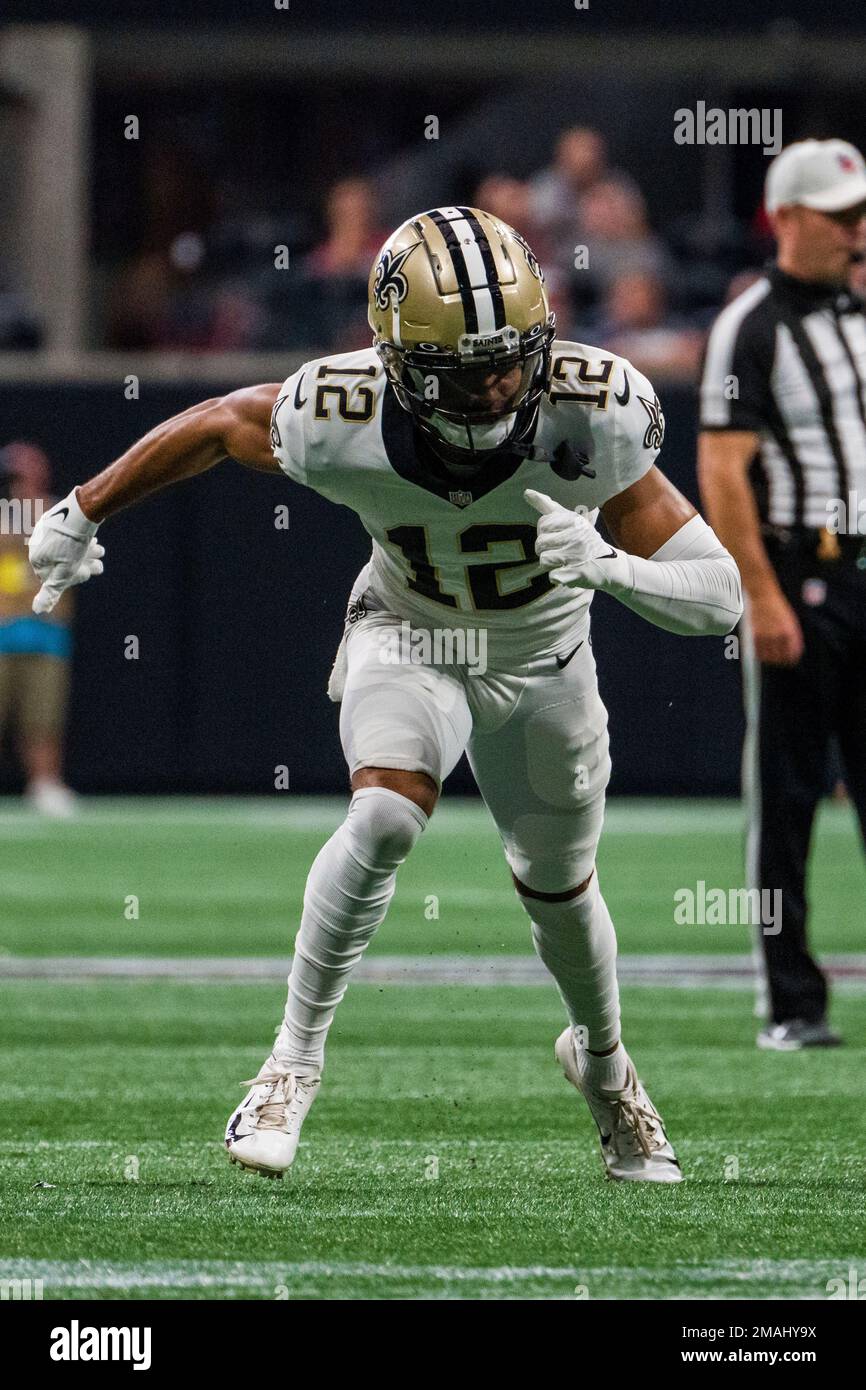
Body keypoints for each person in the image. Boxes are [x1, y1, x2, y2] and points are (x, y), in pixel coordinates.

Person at [28, 206, 742, 1180]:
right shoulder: (341, 415)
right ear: (402, 366)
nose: (498, 387)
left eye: (512, 362)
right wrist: (84, 506)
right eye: (467, 373)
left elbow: (719, 598)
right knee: (384, 815)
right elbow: (221, 423)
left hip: (545, 658)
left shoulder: (595, 411)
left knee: (561, 891)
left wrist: (612, 567)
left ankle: (606, 1067)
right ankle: (289, 1064)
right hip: (409, 634)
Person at [699, 139, 866, 1050]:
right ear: (788, 218)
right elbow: (723, 472)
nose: (856, 231)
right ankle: (793, 1004)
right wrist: (760, 597)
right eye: (840, 217)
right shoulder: (750, 326)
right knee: (789, 797)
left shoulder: (858, 314)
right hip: (805, 574)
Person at [0, 443, 77, 815]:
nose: (20, 483)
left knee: (43, 717)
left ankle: (45, 783)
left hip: (47, 635)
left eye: (26, 474)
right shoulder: (4, 515)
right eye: (14, 477)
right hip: (3, 634)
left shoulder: (60, 512)